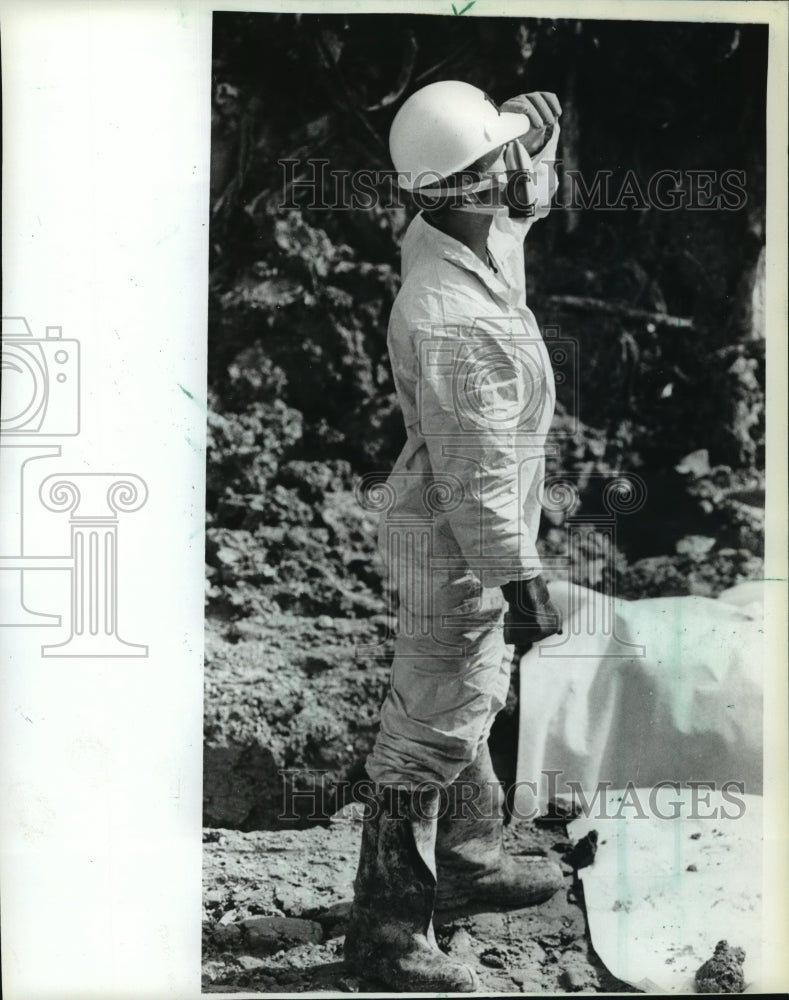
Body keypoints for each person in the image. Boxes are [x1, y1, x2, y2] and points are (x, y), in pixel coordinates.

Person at [344, 80, 565, 992]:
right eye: (502, 154)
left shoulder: (458, 236)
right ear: (471, 181)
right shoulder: (450, 316)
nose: (517, 167)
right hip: (455, 535)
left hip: (462, 520)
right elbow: (476, 473)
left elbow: (518, 214)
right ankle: (386, 930)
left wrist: (538, 146)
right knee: (428, 723)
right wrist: (521, 580)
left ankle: (467, 864)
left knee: (467, 691)